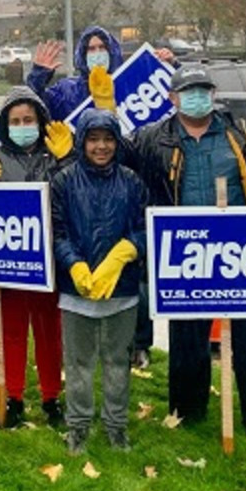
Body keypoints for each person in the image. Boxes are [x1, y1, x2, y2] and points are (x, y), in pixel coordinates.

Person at [125, 65, 246, 452]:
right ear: (172, 98)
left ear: (214, 94)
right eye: (188, 90)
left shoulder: (242, 133)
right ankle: (187, 412)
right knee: (187, 340)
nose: (197, 97)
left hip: (241, 251)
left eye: (203, 90)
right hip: (186, 254)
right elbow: (114, 154)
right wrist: (103, 104)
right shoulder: (155, 138)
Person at [28, 28, 175, 370]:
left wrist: (171, 65)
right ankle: (81, 346)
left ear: (113, 51)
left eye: (102, 47)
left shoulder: (131, 81)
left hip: (128, 185)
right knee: (80, 261)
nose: (97, 52)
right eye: (91, 48)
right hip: (78, 187)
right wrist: (39, 74)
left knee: (133, 274)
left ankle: (138, 345)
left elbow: (170, 109)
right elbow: (30, 108)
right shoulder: (66, 91)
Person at [0, 87, 74, 428]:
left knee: (49, 332)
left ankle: (51, 397)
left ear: (40, 120)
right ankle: (12, 397)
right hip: (8, 263)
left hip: (48, 261)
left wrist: (66, 162)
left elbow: (74, 195)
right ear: (4, 123)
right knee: (10, 331)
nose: (22, 125)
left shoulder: (55, 152)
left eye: (28, 119)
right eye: (15, 120)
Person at [51, 108, 148, 455]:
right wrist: (74, 265)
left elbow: (143, 229)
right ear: (82, 142)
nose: (101, 146)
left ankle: (116, 426)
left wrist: (127, 251)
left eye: (108, 139)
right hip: (76, 291)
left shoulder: (132, 182)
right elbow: (57, 230)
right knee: (78, 363)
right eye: (93, 139)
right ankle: (77, 426)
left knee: (117, 362)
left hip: (121, 292)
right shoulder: (63, 181)